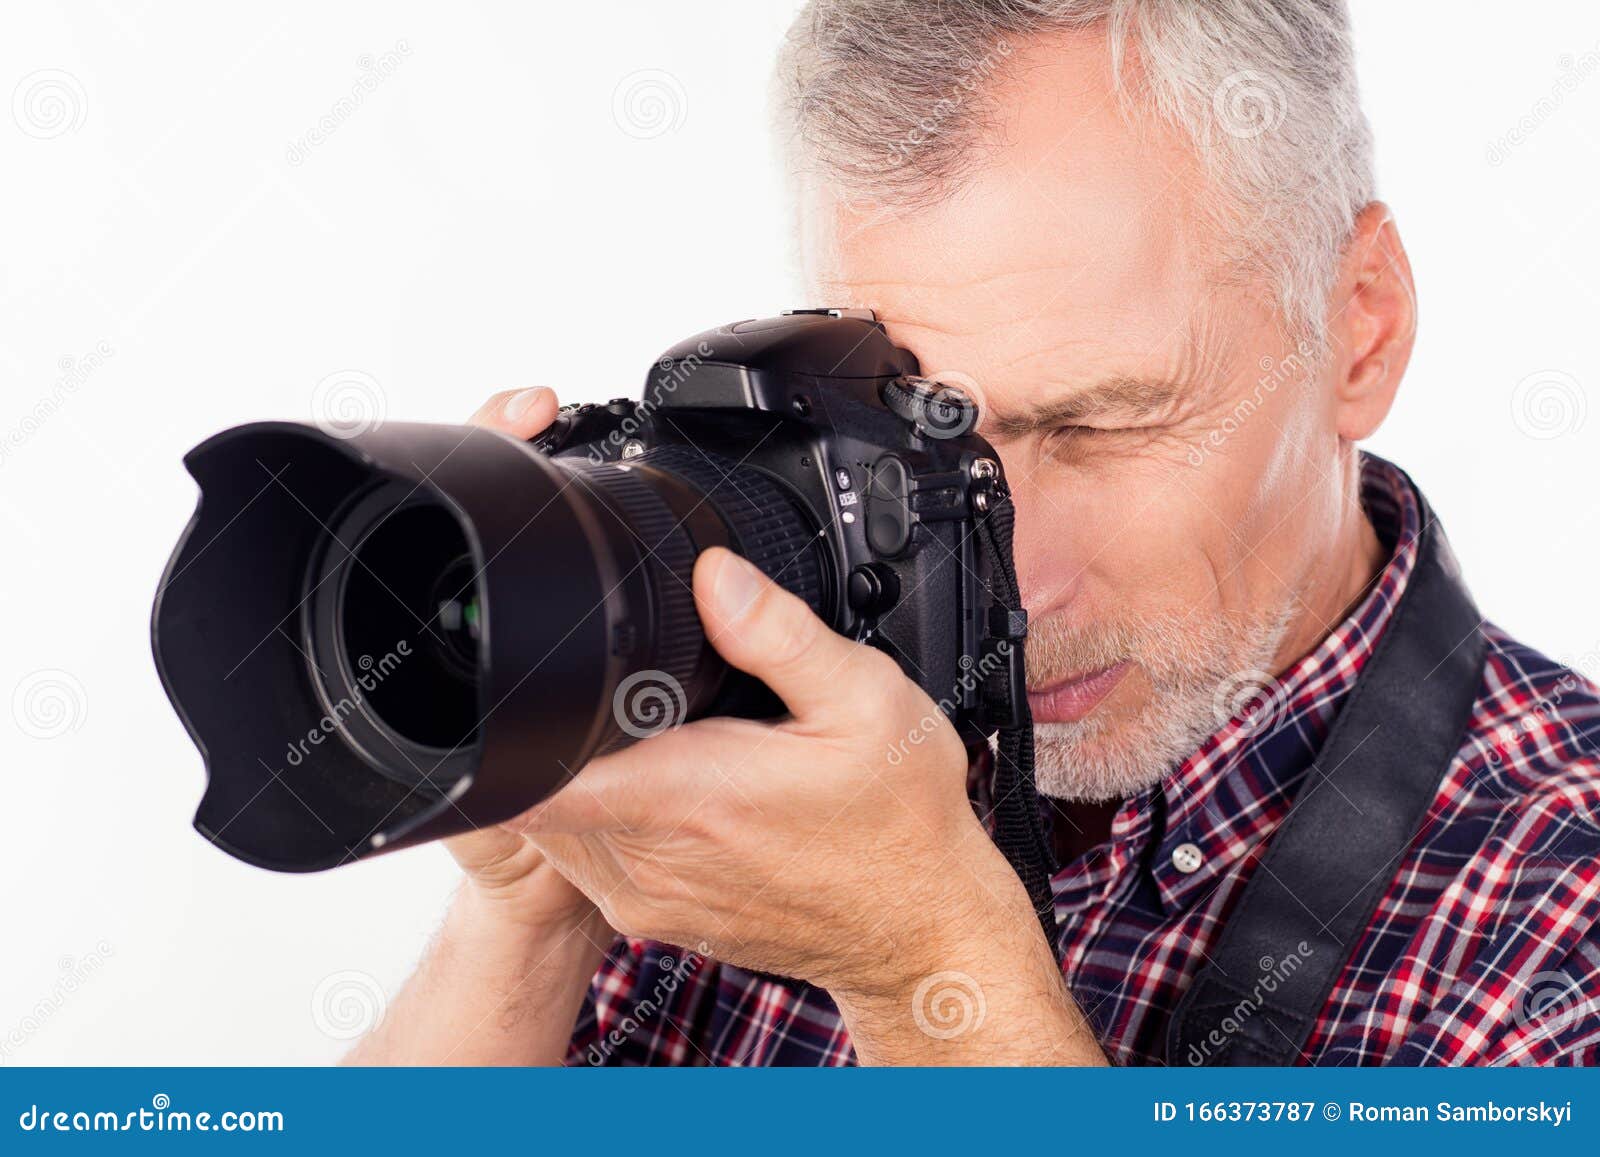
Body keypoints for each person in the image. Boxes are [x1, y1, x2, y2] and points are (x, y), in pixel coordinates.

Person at [349, 0, 1600, 1066]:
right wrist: (527, 912)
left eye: (1102, 426)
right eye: (928, 448)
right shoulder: (751, 735)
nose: (1023, 575)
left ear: (1362, 330)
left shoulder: (1559, 906)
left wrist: (918, 972)